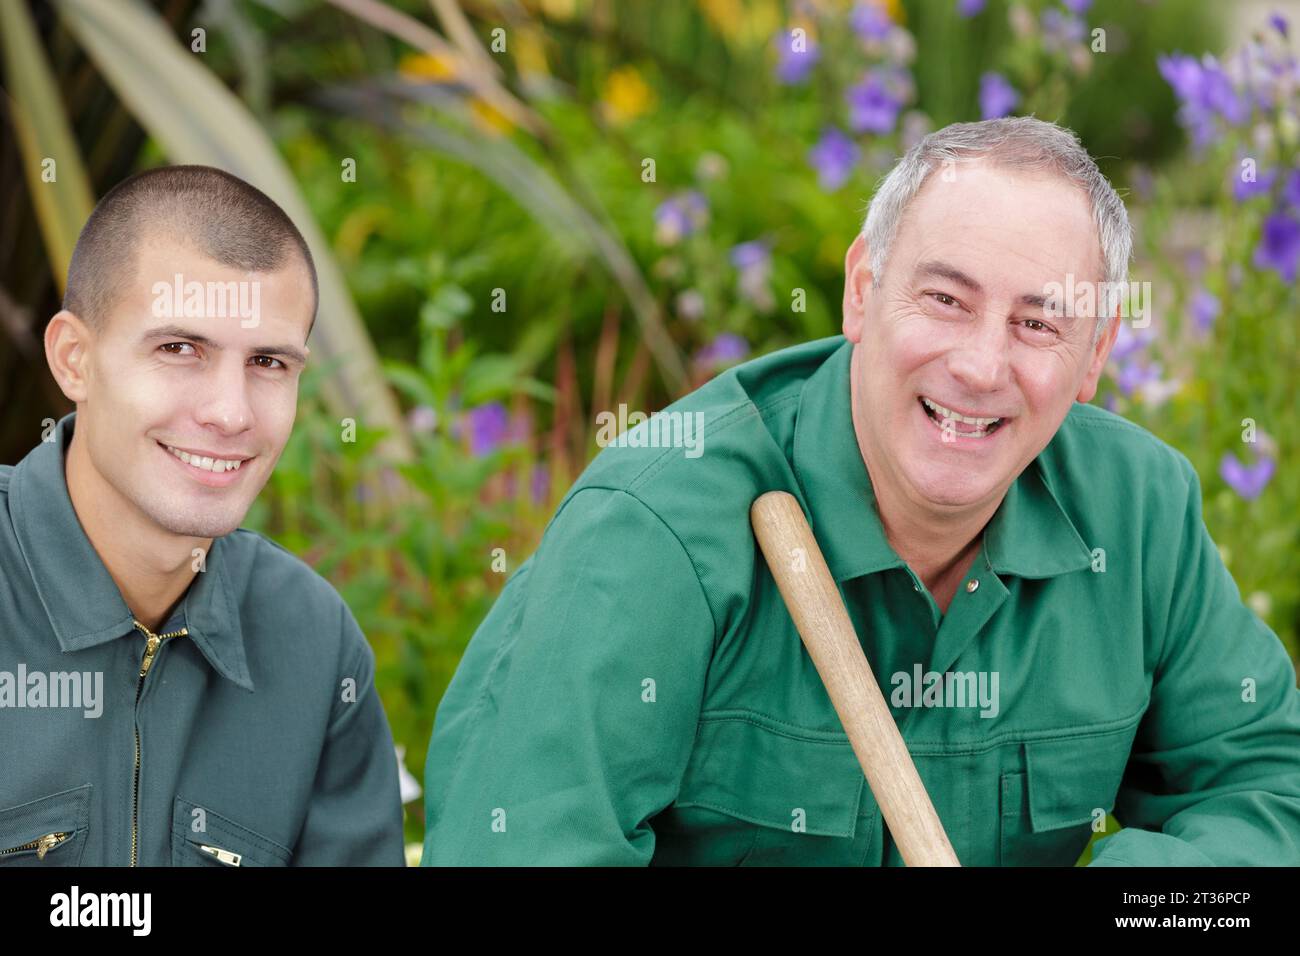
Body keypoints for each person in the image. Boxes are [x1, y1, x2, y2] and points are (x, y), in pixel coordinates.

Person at [422, 117, 1300, 866]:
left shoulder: (1140, 516)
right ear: (861, 290)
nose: (980, 365)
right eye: (946, 299)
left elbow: (1267, 794)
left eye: (1038, 323)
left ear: (1096, 355)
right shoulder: (654, 536)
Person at [0, 165, 404, 866]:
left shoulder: (312, 642)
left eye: (269, 362)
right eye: (180, 349)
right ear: (75, 360)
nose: (230, 412)